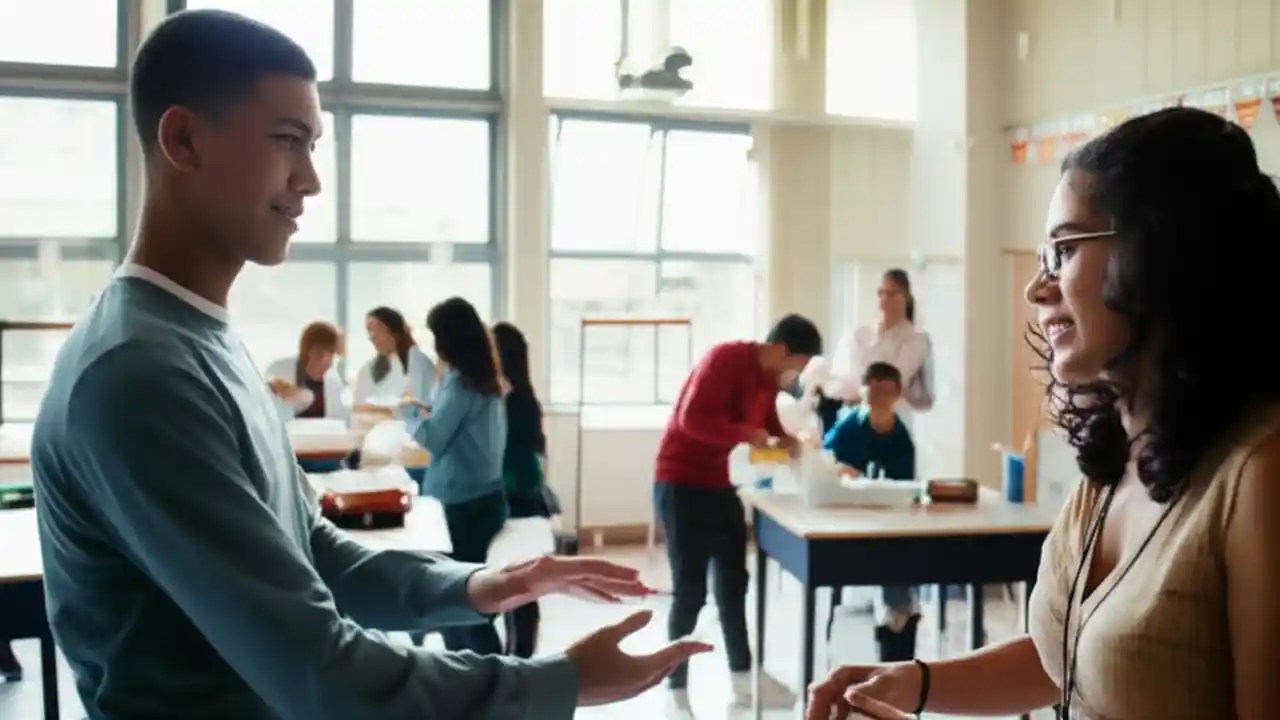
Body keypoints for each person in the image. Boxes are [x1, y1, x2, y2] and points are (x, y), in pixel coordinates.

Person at [29, 10, 709, 719]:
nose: (312, 181)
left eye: (314, 145)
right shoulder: (136, 373)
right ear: (184, 138)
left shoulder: (204, 339)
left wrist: (483, 585)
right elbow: (321, 672)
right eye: (288, 141)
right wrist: (558, 683)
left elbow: (311, 553)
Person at [807, 108, 1280, 720]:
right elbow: (1072, 657)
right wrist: (913, 681)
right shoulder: (1112, 458)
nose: (1037, 288)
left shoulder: (1258, 475)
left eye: (1064, 250)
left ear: (1162, 253)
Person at [654, 313, 822, 708]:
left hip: (718, 484)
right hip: (680, 482)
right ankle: (674, 682)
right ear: (781, 349)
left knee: (733, 583)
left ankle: (744, 678)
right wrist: (747, 434)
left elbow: (769, 427)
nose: (796, 375)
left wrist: (791, 443)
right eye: (797, 364)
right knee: (691, 591)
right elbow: (691, 419)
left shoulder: (766, 381)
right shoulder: (725, 360)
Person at [399, 297, 509, 655]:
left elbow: (434, 437)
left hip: (461, 505)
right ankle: (480, 683)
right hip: (484, 499)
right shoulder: (486, 379)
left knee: (460, 603)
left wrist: (409, 414)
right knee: (471, 600)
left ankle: (483, 684)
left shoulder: (461, 384)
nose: (433, 344)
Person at [822, 361, 919, 662]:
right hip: (849, 516)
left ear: (897, 395)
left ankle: (895, 628)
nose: (878, 399)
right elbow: (825, 459)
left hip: (889, 519)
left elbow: (904, 486)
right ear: (864, 393)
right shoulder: (849, 427)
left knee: (899, 556)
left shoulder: (901, 437)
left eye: (885, 393)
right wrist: (839, 469)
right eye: (873, 392)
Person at [492, 321, 552, 658]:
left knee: (515, 588)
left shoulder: (502, 400)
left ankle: (515, 663)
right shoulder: (526, 398)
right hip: (527, 497)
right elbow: (539, 451)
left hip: (514, 499)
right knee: (523, 590)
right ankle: (519, 662)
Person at [827, 268, 934, 415]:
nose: (885, 299)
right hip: (854, 413)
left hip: (893, 417)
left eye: (892, 294)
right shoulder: (858, 334)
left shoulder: (916, 340)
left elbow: (895, 381)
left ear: (906, 298)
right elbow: (840, 379)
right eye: (881, 293)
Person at [351, 306, 436, 408]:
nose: (371, 338)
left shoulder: (418, 363)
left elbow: (421, 404)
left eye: (374, 331)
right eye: (369, 332)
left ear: (393, 332)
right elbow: (358, 403)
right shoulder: (369, 368)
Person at [264, 320, 348, 421]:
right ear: (309, 351)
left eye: (331, 355)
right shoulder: (278, 371)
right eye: (320, 353)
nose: (328, 362)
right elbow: (269, 412)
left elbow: (339, 419)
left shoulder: (333, 380)